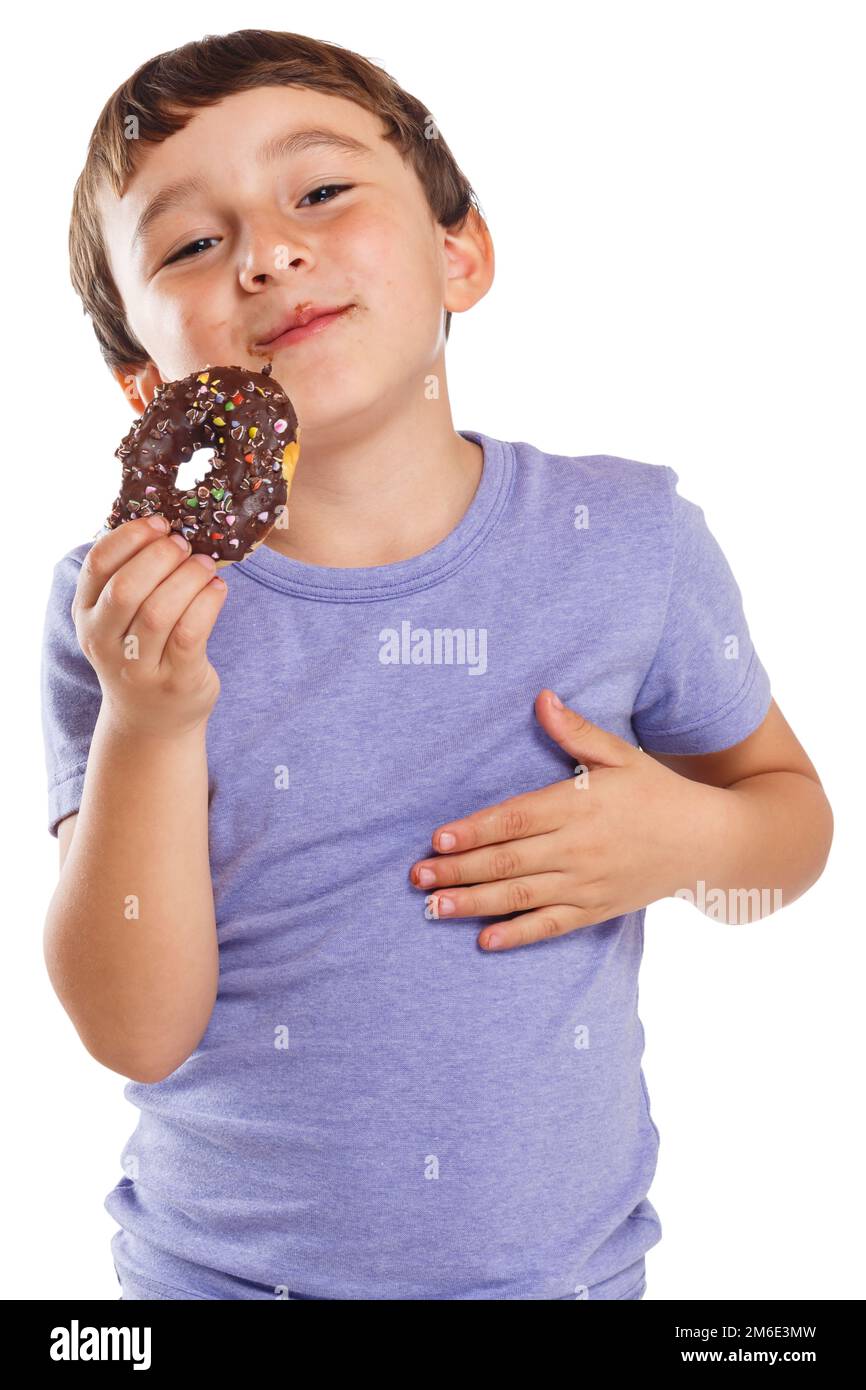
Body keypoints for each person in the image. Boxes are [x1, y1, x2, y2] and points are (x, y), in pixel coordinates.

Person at [41, 29, 833, 1301]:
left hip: (562, 1284)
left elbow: (791, 830)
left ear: (458, 252)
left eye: (321, 192)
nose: (266, 253)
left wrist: (682, 841)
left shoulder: (626, 539)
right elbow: (132, 1027)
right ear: (148, 385)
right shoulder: (118, 613)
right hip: (216, 1285)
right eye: (191, 244)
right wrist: (149, 723)